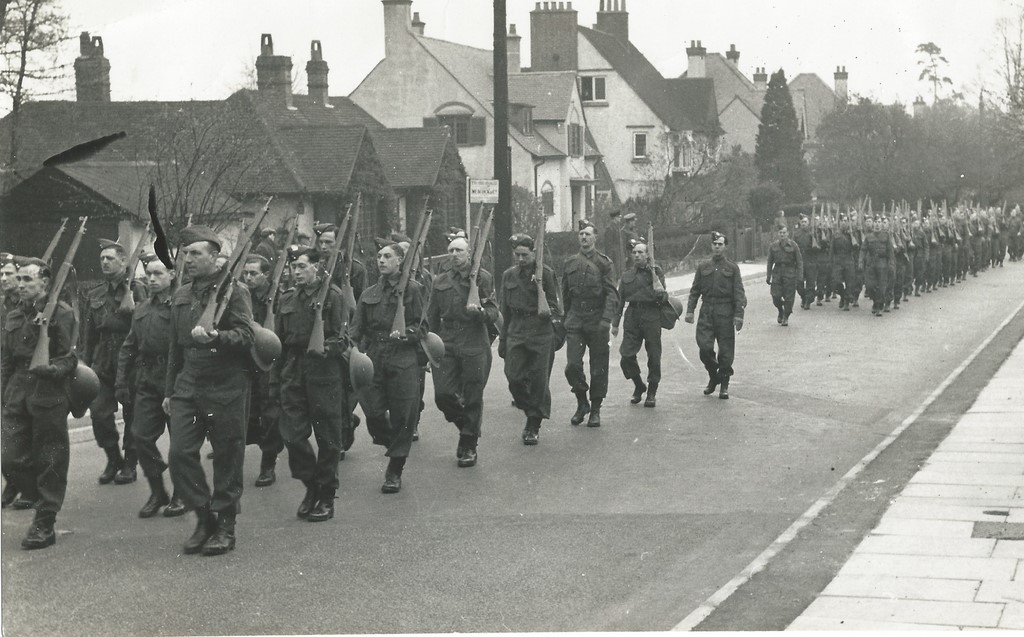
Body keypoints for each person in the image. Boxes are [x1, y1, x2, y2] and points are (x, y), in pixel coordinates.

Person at [163, 226, 254, 556]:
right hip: (188, 384)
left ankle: (225, 525)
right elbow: (175, 347)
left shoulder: (236, 291)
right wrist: (169, 391)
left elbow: (246, 336)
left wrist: (217, 337)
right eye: (185, 253)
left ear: (215, 257)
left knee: (228, 458)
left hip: (226, 384)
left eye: (196, 253)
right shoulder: (181, 293)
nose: (188, 259)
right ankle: (204, 517)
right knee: (179, 454)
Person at [1, 258, 78, 549]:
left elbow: (70, 357)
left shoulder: (61, 313)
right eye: (18, 280)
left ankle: (45, 521)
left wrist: (52, 370)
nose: (20, 285)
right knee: (9, 458)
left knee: (50, 459)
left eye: (27, 280)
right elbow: (6, 358)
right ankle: (35, 497)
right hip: (17, 391)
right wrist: (3, 392)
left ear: (44, 283)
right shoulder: (13, 315)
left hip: (48, 392)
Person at [274, 247, 347, 522]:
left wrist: (324, 347)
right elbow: (279, 343)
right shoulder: (287, 298)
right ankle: (311, 485)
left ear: (317, 268)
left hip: (324, 371)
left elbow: (343, 338)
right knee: (291, 435)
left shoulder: (333, 296)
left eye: (303, 266)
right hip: (293, 369)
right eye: (294, 267)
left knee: (328, 437)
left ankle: (326, 496)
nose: (297, 271)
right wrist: (275, 379)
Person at [351, 241, 426, 492]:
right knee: (372, 410)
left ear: (400, 261)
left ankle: (395, 468)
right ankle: (392, 444)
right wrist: (351, 349)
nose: (381, 260)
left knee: (404, 413)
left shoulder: (414, 290)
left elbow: (423, 327)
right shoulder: (368, 293)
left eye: (387, 256)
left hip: (403, 356)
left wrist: (408, 333)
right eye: (379, 257)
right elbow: (356, 328)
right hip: (375, 355)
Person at [114, 255, 186, 518]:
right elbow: (129, 347)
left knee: (180, 443)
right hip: (147, 381)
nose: (152, 279)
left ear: (172, 276)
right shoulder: (142, 309)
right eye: (149, 274)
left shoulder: (182, 306)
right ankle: (158, 491)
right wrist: (121, 381)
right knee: (140, 436)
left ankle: (181, 492)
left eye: (158, 274)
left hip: (178, 380)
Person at [428, 236, 500, 466]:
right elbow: (431, 317)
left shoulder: (482, 278)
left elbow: (493, 312)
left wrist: (479, 312)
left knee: (472, 395)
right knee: (443, 395)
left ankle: (469, 443)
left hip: (473, 339)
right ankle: (467, 428)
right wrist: (428, 348)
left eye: (459, 250)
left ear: (469, 253)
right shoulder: (439, 281)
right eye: (450, 250)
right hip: (447, 340)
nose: (453, 254)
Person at [82, 238, 148, 485]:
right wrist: (85, 366)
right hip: (103, 363)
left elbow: (145, 326)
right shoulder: (95, 294)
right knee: (99, 414)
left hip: (132, 362)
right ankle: (113, 458)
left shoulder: (139, 289)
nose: (105, 262)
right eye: (102, 259)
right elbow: (89, 335)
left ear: (124, 260)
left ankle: (130, 464)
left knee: (133, 416)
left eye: (110, 258)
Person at [498, 233, 562, 445]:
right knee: (513, 376)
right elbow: (504, 310)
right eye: (517, 255)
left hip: (540, 331)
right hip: (516, 329)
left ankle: (533, 423)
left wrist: (544, 302)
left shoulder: (546, 274)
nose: (521, 259)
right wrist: (503, 340)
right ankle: (531, 409)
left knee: (538, 380)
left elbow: (555, 306)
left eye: (525, 255)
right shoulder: (508, 275)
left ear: (533, 253)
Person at [561, 220, 618, 427]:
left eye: (588, 234)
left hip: (597, 320)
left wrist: (606, 319)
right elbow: (565, 294)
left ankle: (595, 409)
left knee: (598, 368)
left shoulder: (604, 263)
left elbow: (612, 293)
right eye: (581, 234)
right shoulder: (570, 263)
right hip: (576, 319)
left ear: (595, 238)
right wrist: (565, 318)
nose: (584, 237)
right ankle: (581, 401)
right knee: (572, 366)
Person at [239, 255, 284, 487]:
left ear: (266, 274)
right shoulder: (241, 295)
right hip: (248, 360)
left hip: (271, 361)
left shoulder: (277, 296)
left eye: (254, 273)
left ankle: (268, 465)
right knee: (249, 410)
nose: (248, 277)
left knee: (269, 411)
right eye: (245, 273)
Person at [684, 232, 745, 399]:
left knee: (725, 351)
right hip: (707, 311)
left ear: (725, 247)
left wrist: (739, 315)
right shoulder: (703, 267)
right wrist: (690, 310)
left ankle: (723, 384)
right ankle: (714, 376)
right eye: (715, 244)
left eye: (720, 244)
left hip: (725, 311)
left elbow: (739, 293)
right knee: (704, 348)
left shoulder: (732, 268)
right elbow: (695, 290)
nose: (717, 247)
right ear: (711, 246)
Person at [611, 240, 667, 407]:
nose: (636, 255)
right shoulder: (627, 275)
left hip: (651, 315)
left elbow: (664, 297)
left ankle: (651, 391)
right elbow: (619, 301)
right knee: (626, 356)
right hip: (633, 316)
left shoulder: (656, 272)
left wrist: (659, 291)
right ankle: (638, 385)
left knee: (654, 356)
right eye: (634, 252)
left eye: (640, 252)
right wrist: (615, 323)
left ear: (648, 255)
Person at [0, 252, 23, 508]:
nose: (4, 278)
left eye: (9, 274)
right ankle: (15, 481)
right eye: (2, 274)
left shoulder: (27, 304)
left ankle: (21, 484)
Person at [766, 225, 802, 326]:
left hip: (790, 273)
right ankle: (780, 311)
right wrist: (768, 276)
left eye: (784, 233)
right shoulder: (773, 246)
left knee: (789, 298)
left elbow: (799, 262)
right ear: (778, 234)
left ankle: (786, 316)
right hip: (777, 273)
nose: (782, 235)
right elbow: (769, 262)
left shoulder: (793, 245)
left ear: (788, 233)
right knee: (775, 296)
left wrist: (800, 277)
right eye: (780, 233)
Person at [858, 217, 895, 316]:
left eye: (879, 222)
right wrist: (861, 262)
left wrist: (891, 264)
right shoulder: (869, 236)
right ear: (873, 224)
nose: (878, 224)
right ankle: (875, 301)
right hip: (871, 264)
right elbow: (863, 250)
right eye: (876, 222)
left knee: (882, 287)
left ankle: (878, 306)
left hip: (883, 264)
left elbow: (891, 252)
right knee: (870, 286)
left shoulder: (886, 236)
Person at [792, 214, 821, 309]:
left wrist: (815, 245)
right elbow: (793, 247)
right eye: (802, 222)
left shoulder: (813, 233)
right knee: (798, 283)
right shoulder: (796, 234)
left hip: (811, 260)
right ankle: (804, 297)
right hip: (800, 260)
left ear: (808, 223)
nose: (803, 224)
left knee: (810, 282)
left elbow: (819, 247)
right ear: (800, 223)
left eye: (805, 222)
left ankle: (808, 300)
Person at [829, 217, 857, 310]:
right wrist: (830, 262)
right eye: (842, 221)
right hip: (838, 261)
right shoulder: (835, 234)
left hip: (849, 260)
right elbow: (831, 249)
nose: (844, 223)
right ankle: (843, 295)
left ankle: (847, 302)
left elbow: (857, 247)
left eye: (846, 221)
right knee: (835, 282)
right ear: (839, 222)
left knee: (850, 283)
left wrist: (854, 237)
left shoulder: (852, 234)